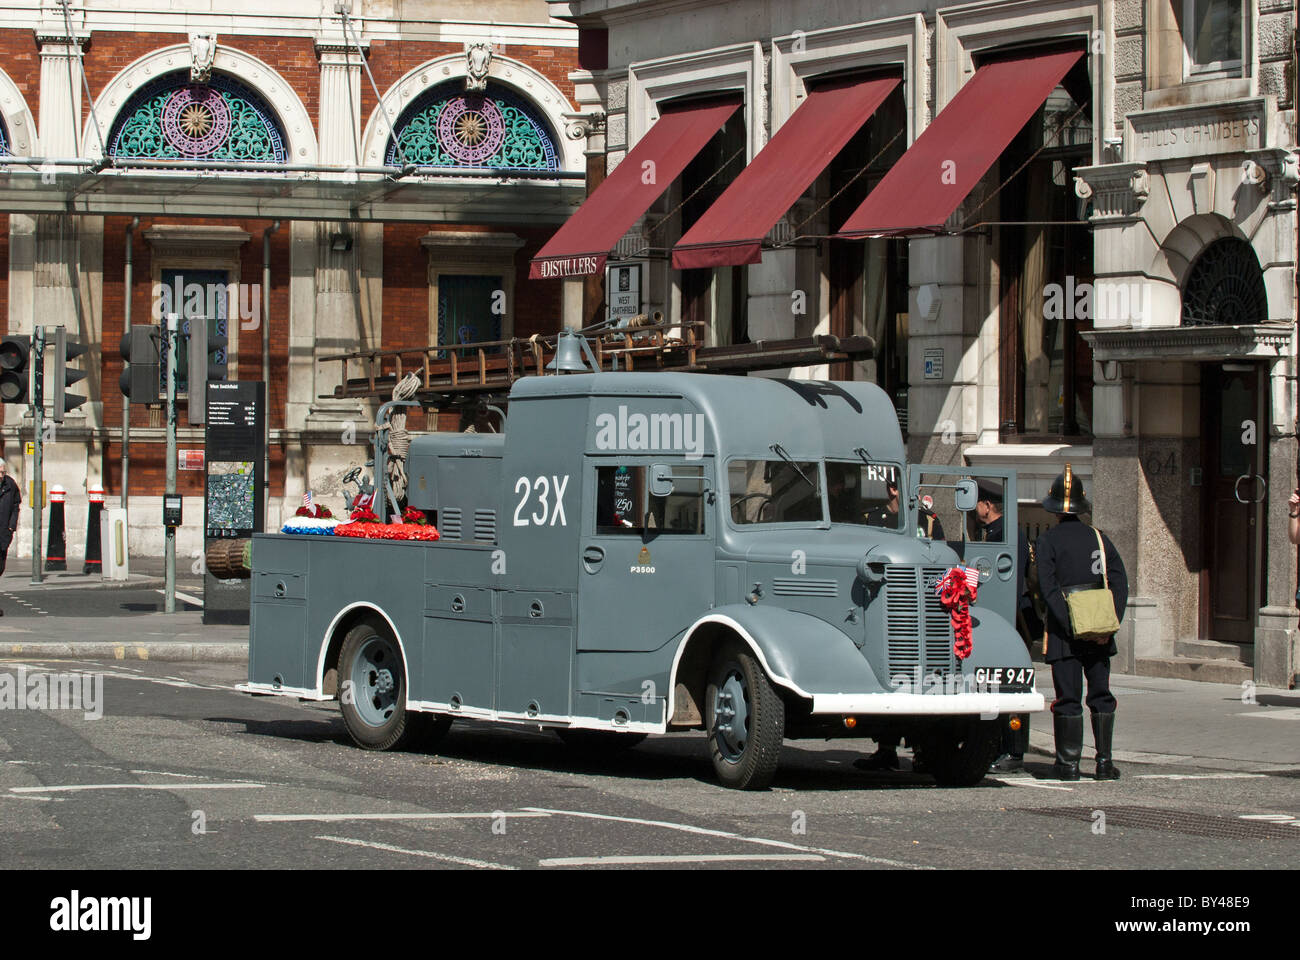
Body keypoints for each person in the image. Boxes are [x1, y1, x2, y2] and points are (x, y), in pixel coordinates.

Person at [1035, 464, 1128, 781]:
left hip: (1064, 633)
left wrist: (1070, 622)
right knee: (1101, 694)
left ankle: (1069, 764)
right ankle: (1103, 763)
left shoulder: (1047, 541)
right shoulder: (1099, 538)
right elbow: (1119, 583)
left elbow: (1046, 588)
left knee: (1068, 697)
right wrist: (1108, 623)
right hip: (1099, 632)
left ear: (1054, 510)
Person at [976, 482, 1043, 773]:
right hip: (1003, 618)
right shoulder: (994, 532)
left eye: (977, 503)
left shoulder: (1005, 533)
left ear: (987, 506)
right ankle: (998, 747)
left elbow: (1009, 582)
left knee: (1013, 685)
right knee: (994, 687)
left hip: (1013, 619)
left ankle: (1013, 751)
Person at [864, 476, 945, 540]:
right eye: (914, 492)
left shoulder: (927, 519)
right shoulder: (871, 518)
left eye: (919, 492)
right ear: (894, 490)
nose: (919, 498)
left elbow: (940, 554)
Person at [0, 461, 20, 612]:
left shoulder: (10, 485)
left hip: (3, 534)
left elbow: (15, 505)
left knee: (0, 568)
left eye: (3, 472)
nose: (2, 475)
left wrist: (12, 526)